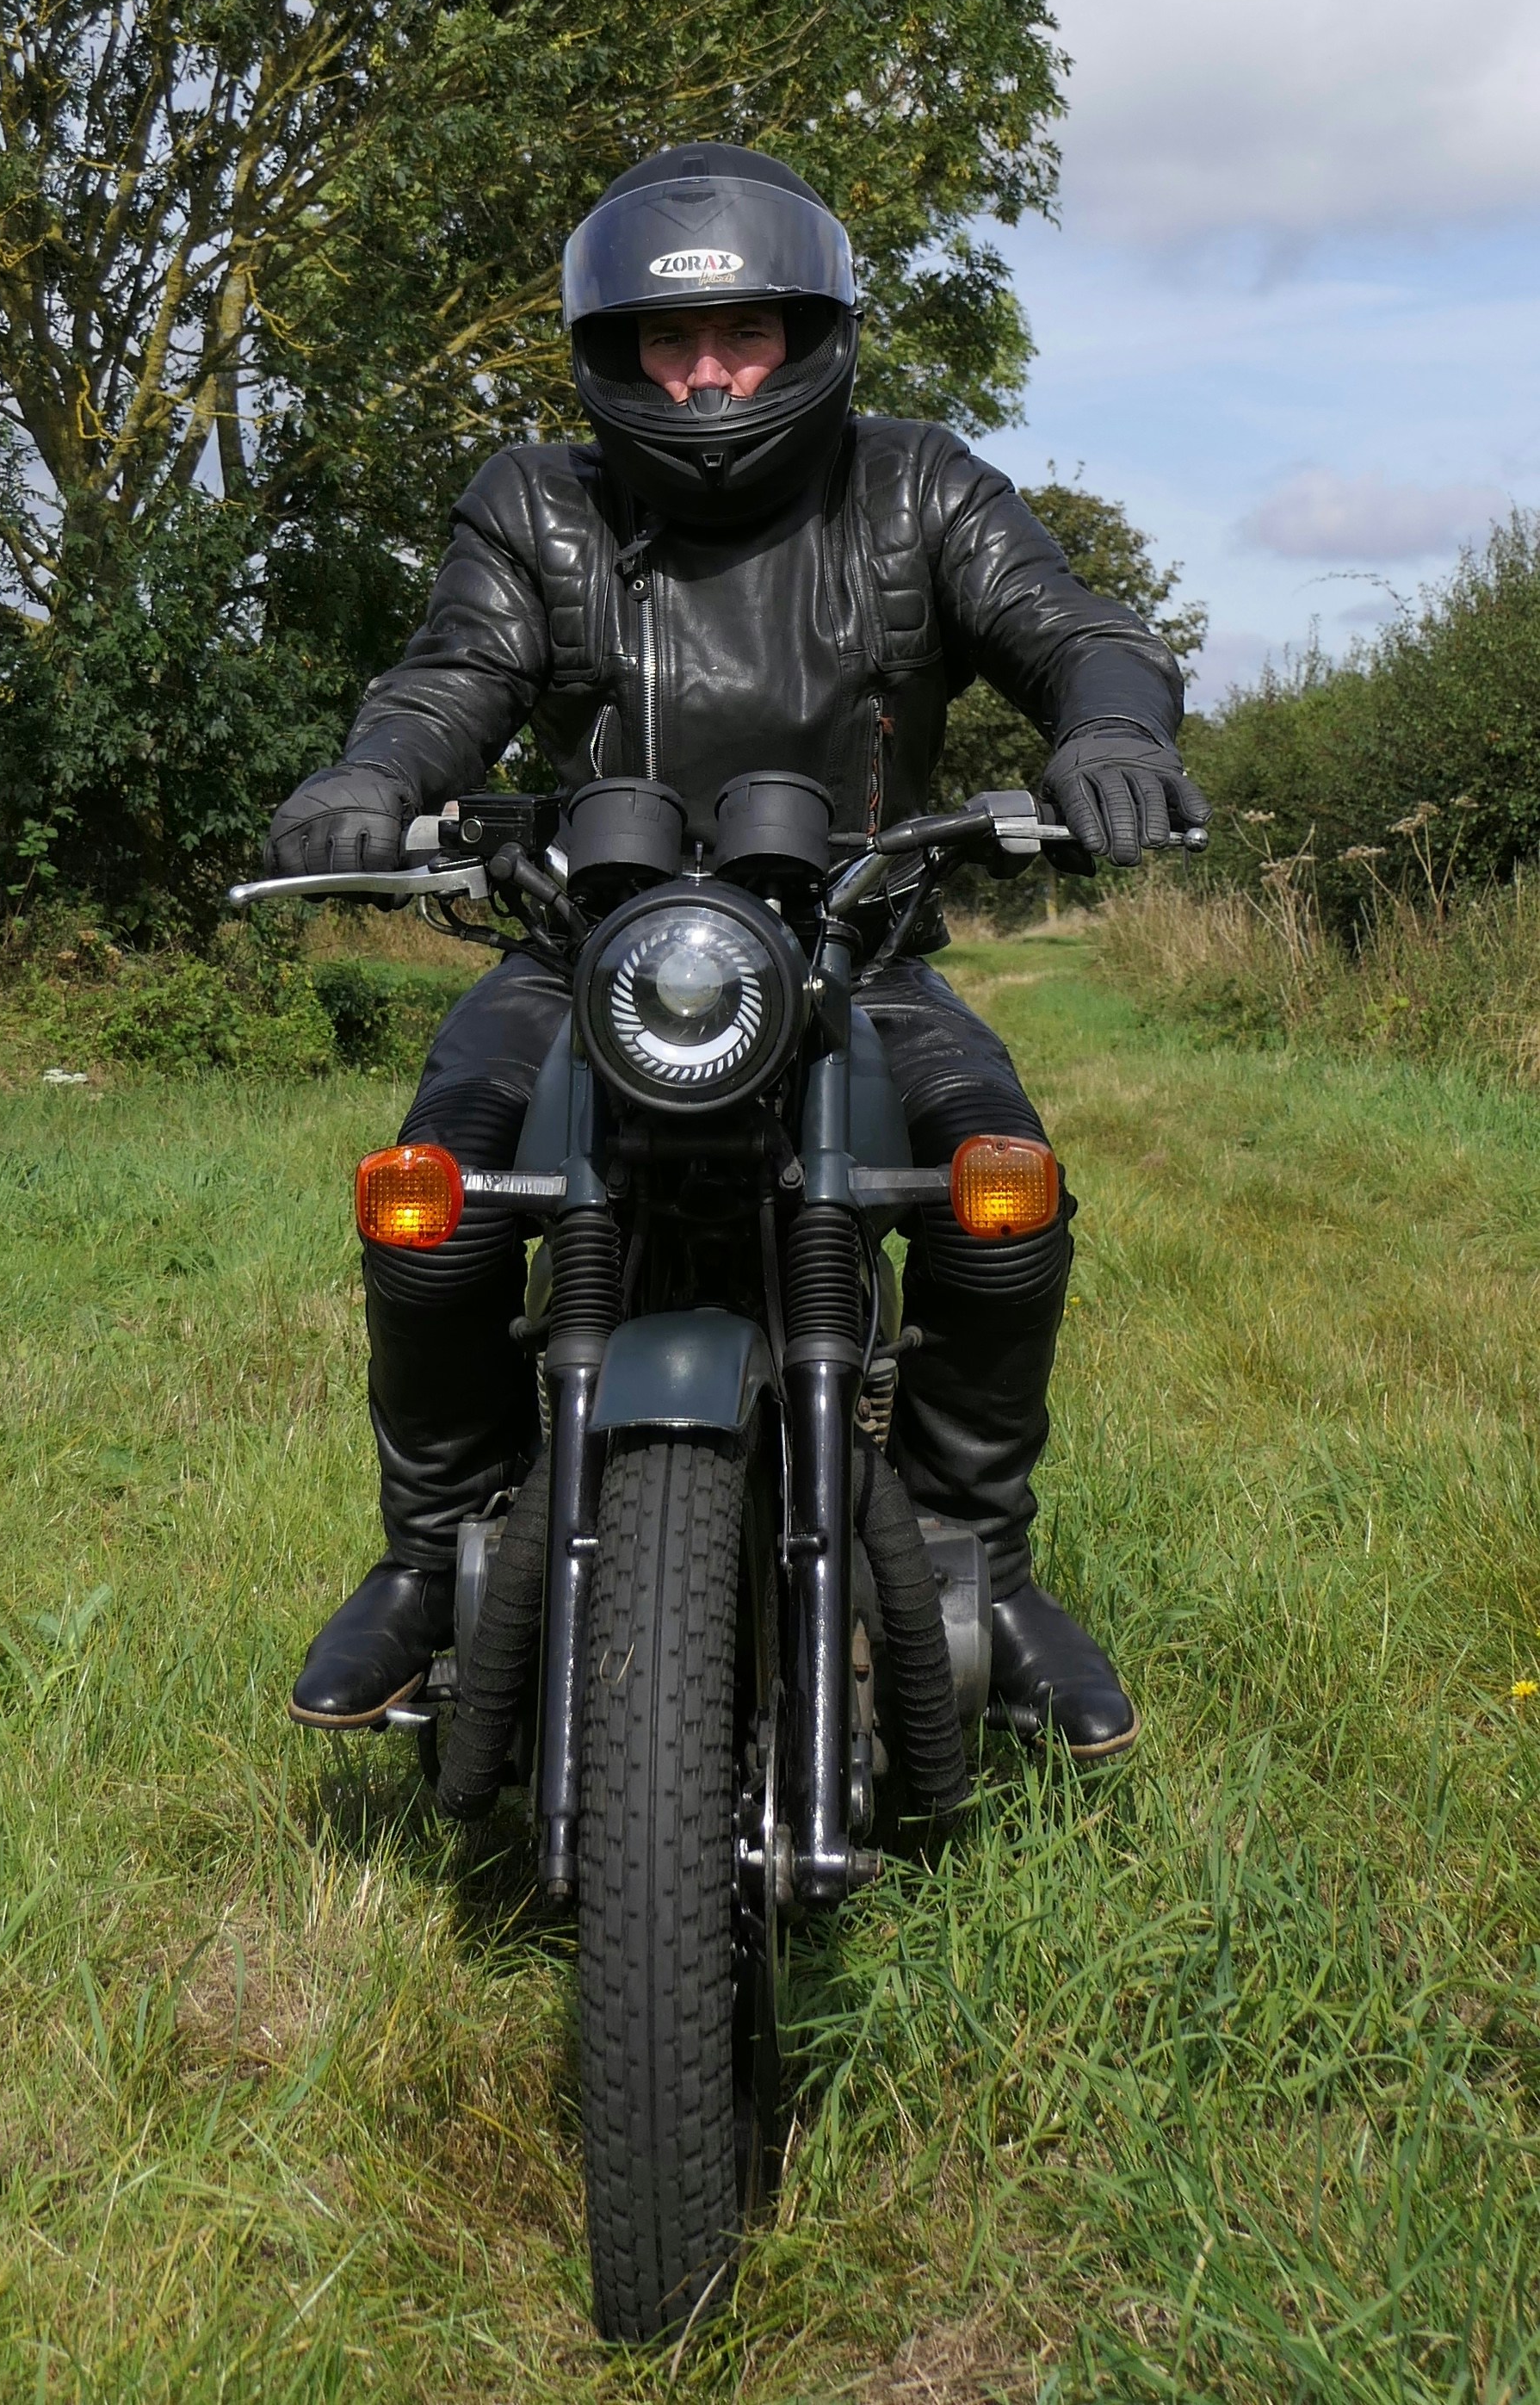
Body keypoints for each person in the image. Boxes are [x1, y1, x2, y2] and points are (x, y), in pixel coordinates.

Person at [265, 144, 1209, 1756]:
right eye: (665, 343)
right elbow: (449, 676)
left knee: (1000, 1192)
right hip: (579, 956)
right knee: (432, 1203)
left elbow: (1075, 628)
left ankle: (985, 1557)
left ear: (815, 333)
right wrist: (372, 777)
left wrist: (1111, 726)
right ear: (612, 355)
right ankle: (428, 1562)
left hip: (863, 955)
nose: (705, 374)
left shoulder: (918, 484)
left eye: (745, 336)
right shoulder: (537, 503)